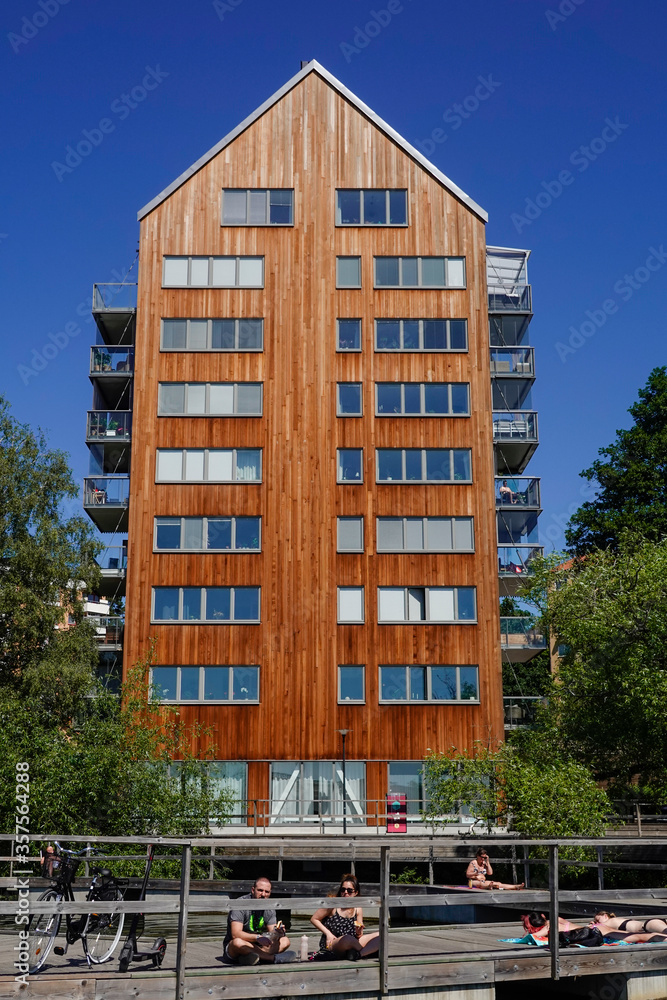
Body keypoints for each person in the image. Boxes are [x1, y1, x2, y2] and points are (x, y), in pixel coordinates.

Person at [223, 876, 293, 965]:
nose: (263, 894)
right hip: (238, 946)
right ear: (253, 890)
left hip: (258, 946)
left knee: (285, 940)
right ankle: (271, 958)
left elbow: (272, 932)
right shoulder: (240, 904)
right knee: (237, 942)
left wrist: (279, 932)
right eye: (260, 890)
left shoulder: (269, 908)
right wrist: (258, 938)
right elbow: (235, 934)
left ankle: (254, 957)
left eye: (266, 892)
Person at [310, 874, 379, 960]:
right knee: (347, 938)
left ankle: (358, 954)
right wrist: (328, 934)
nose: (346, 892)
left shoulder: (357, 908)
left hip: (353, 941)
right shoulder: (333, 904)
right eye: (343, 890)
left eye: (349, 890)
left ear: (356, 893)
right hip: (334, 942)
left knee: (380, 935)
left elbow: (359, 935)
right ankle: (368, 951)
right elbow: (314, 919)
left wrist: (359, 932)